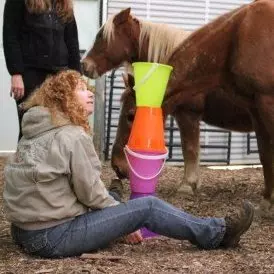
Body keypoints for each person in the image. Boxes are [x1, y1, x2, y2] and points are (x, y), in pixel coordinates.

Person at [3, 70, 254, 259]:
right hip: (53, 237)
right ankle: (217, 233)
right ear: (62, 99)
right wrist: (126, 222)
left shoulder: (34, 132)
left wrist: (113, 209)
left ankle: (115, 193)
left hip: (24, 232)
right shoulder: (72, 136)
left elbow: (57, 187)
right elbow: (91, 196)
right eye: (80, 90)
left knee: (111, 198)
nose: (90, 93)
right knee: (147, 207)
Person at [3, 0, 81, 140]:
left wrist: (77, 79)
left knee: (60, 129)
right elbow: (10, 37)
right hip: (30, 75)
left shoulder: (64, 4)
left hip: (60, 76)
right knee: (30, 127)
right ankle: (26, 161)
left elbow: (72, 42)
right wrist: (16, 73)